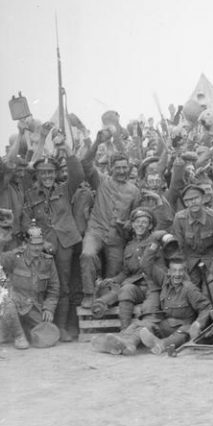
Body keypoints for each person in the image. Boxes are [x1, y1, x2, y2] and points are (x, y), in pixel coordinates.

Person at [21, 155, 84, 341]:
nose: (47, 176)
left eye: (50, 172)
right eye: (42, 173)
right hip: (42, 246)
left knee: (64, 285)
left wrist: (66, 150)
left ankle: (62, 327)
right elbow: (26, 222)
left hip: (65, 243)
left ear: (56, 173)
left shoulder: (65, 188)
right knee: (43, 285)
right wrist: (41, 241)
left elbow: (78, 173)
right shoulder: (30, 194)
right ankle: (44, 327)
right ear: (37, 175)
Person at [80, 129, 141, 309]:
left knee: (113, 277)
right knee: (88, 254)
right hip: (96, 231)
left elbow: (136, 218)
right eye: (118, 167)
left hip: (117, 238)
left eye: (125, 167)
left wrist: (128, 224)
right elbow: (84, 162)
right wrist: (97, 141)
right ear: (110, 168)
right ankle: (89, 294)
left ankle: (104, 305)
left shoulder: (134, 191)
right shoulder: (101, 180)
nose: (122, 171)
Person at [0, 222, 60, 349]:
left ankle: (21, 332)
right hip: (15, 302)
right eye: (33, 244)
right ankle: (19, 336)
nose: (37, 248)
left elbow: (54, 289)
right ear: (25, 244)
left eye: (40, 244)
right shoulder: (15, 257)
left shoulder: (48, 261)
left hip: (34, 307)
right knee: (7, 300)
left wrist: (49, 308)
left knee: (48, 334)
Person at [171, 184, 213, 286]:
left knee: (212, 287)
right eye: (188, 200)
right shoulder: (179, 218)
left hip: (211, 259)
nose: (192, 202)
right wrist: (183, 270)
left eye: (196, 198)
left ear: (204, 199)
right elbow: (178, 248)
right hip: (190, 260)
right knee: (189, 288)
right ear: (185, 203)